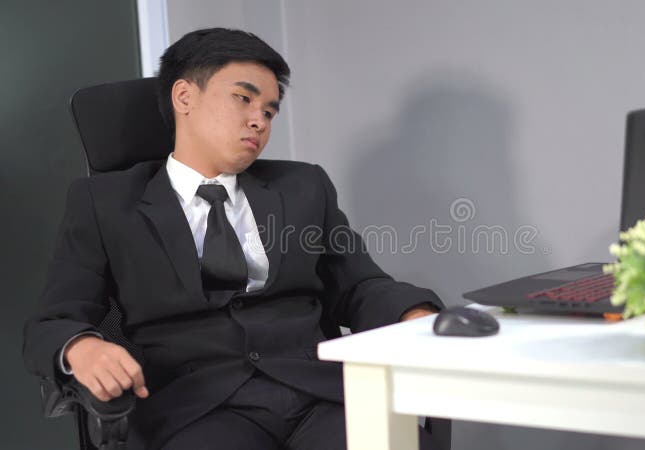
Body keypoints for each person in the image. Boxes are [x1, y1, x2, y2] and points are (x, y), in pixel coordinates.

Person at [23, 27, 444, 450]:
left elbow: (359, 285)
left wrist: (416, 315)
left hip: (319, 396)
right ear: (184, 97)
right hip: (196, 409)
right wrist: (81, 347)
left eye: (270, 111)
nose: (259, 121)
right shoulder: (106, 203)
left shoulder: (303, 187)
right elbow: (54, 321)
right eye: (243, 98)